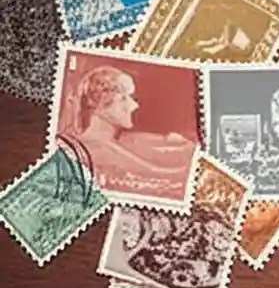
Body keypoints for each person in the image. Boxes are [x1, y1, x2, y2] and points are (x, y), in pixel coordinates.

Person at [61, 64, 195, 198]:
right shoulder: (98, 147)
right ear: (101, 104)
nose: (134, 105)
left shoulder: (114, 141)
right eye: (124, 98)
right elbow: (164, 174)